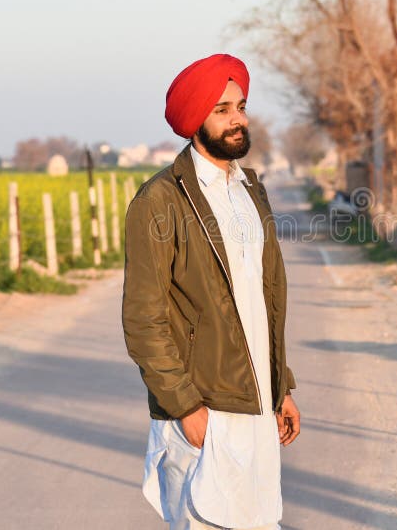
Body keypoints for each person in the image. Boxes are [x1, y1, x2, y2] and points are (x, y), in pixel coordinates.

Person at [121, 53, 300, 530]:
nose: (238, 119)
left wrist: (281, 385)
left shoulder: (249, 191)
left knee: (259, 522)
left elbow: (259, 302)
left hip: (258, 403)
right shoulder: (159, 201)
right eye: (221, 110)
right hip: (202, 409)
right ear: (193, 120)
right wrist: (184, 406)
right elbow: (144, 319)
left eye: (240, 106)